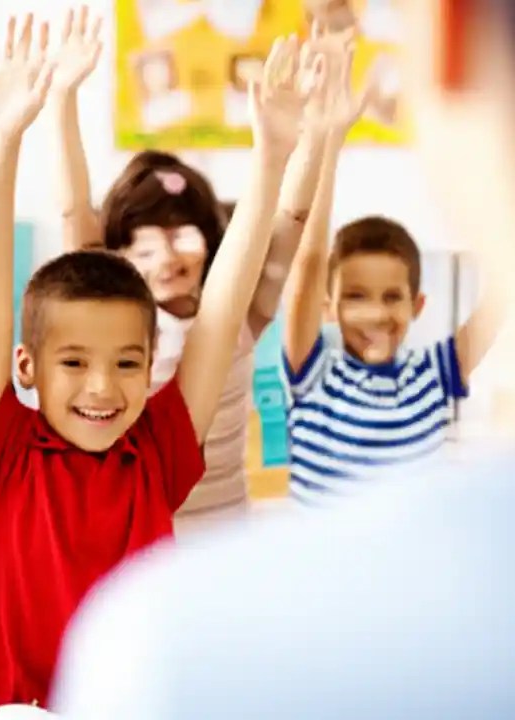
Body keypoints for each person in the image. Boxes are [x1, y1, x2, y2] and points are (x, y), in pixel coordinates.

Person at [53, 0, 515, 716]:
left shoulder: (173, 651)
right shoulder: (182, 634)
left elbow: (283, 240)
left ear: (449, 33)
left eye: (180, 234)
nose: (165, 253)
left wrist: (302, 146)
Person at [0, 14, 312, 717]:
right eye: (74, 361)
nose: (102, 386)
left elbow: (221, 310)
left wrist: (270, 158)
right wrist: (2, 141)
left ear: (151, 368)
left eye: (126, 363)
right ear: (26, 367)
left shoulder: (158, 451)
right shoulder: (2, 451)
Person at [47, 6, 352, 531]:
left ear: (211, 242)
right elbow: (75, 211)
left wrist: (318, 135)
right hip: (138, 540)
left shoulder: (237, 317)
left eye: (181, 235)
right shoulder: (110, 322)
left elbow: (291, 218)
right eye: (144, 246)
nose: (167, 257)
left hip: (224, 538)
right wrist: (63, 99)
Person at [278, 35, 503, 499]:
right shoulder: (313, 373)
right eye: (356, 296)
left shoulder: (434, 375)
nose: (377, 313)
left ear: (417, 305)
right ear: (328, 306)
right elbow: (308, 265)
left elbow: (503, 294)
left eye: (392, 297)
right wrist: (329, 140)